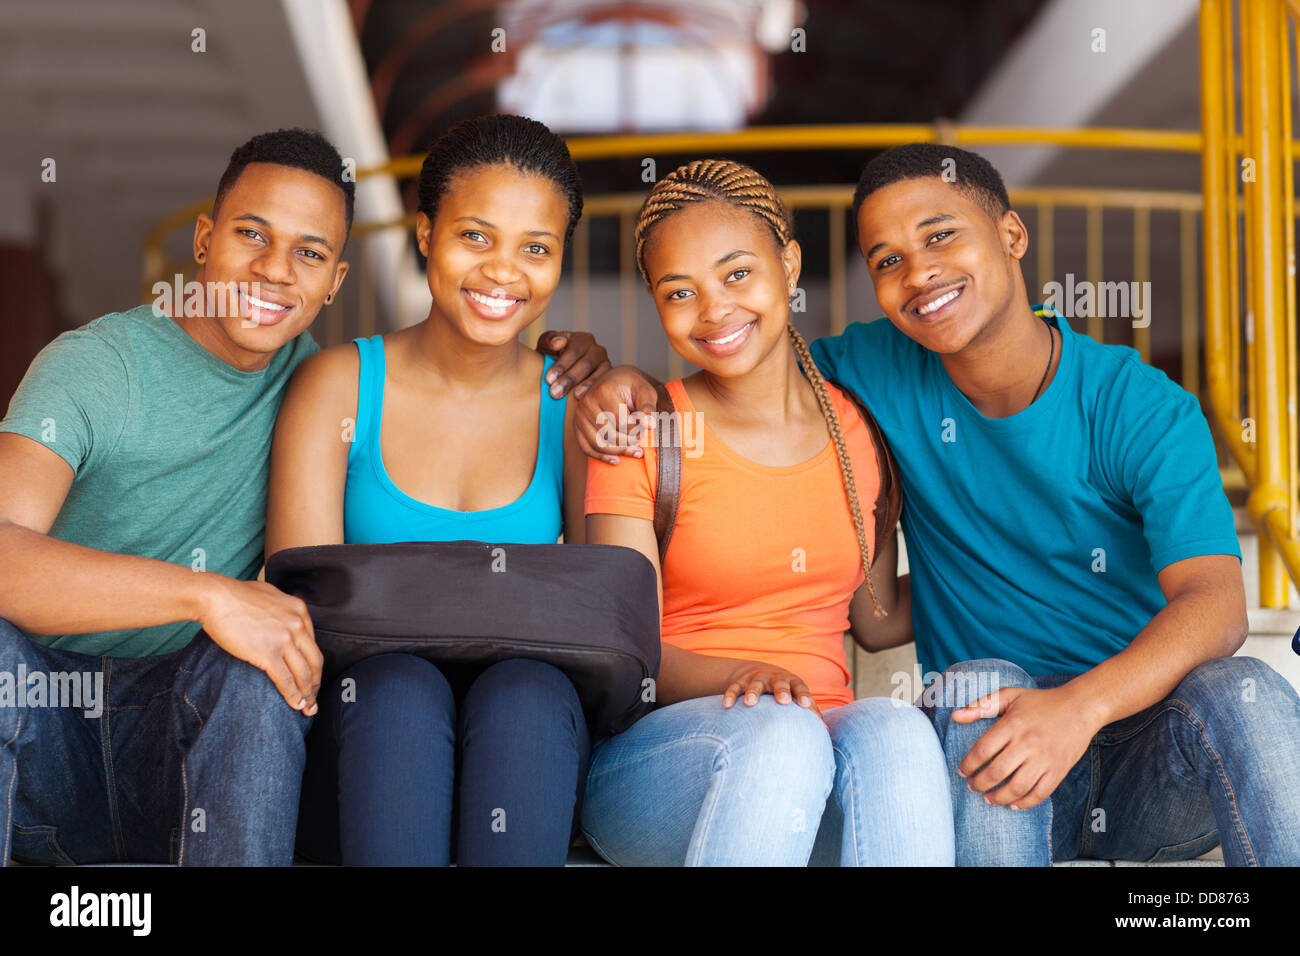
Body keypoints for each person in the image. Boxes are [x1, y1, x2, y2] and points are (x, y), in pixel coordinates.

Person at [576, 143, 1300, 866]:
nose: (918, 273)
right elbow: (741, 355)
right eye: (887, 260)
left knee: (1247, 690)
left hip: (1142, 752)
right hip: (979, 740)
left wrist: (1078, 708)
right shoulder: (867, 376)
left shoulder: (1136, 407)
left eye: (940, 235)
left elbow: (1216, 603)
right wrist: (621, 378)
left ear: (1011, 236)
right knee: (977, 685)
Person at [0, 126, 605, 867]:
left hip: (182, 743)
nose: (274, 271)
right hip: (41, 732)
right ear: (202, 240)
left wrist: (596, 365)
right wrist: (208, 596)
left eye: (309, 253)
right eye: (252, 235)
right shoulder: (96, 368)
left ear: (335, 282)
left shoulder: (319, 388)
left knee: (262, 659)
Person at [579, 159, 954, 866]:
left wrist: (1030, 567)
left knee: (899, 730)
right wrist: (738, 676)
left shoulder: (860, 433)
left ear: (789, 263)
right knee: (782, 733)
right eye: (679, 291)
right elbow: (624, 650)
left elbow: (874, 621)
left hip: (817, 752)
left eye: (737, 273)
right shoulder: (643, 431)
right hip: (661, 760)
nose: (714, 310)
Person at [268, 115, 603, 867]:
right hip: (364, 733)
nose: (502, 272)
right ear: (424, 234)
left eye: (536, 249)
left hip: (528, 734)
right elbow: (298, 602)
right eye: (475, 236)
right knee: (397, 692)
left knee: (525, 693)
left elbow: (604, 610)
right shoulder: (338, 385)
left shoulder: (574, 398)